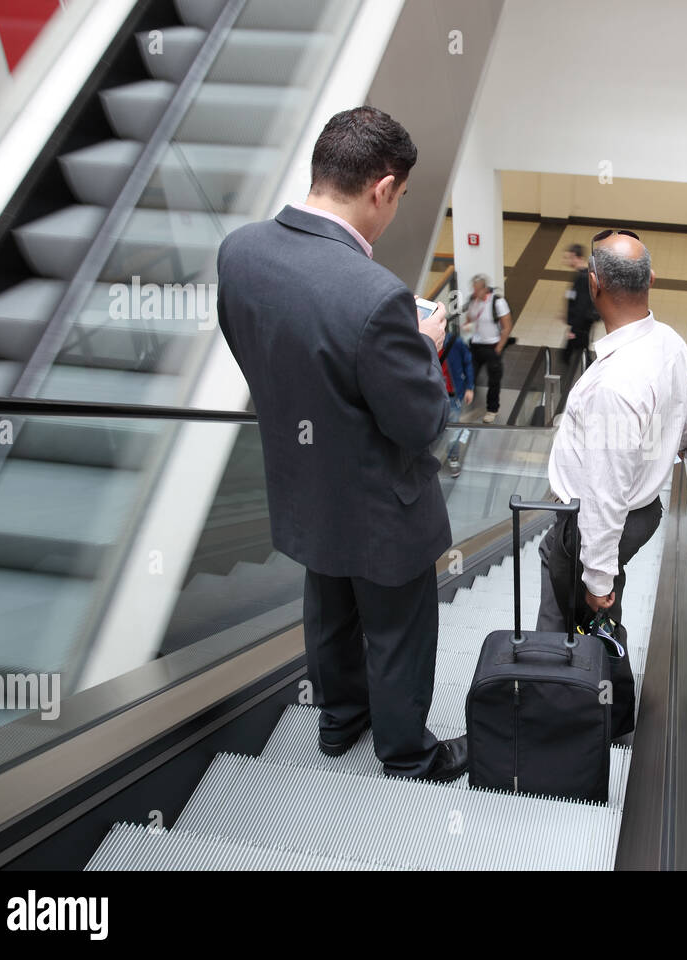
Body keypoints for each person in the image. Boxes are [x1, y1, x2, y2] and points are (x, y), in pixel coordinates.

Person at [215, 106, 467, 783]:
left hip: (301, 485)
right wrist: (421, 346)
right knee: (397, 631)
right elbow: (421, 423)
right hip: (381, 504)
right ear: (382, 188)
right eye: (400, 198)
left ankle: (338, 721)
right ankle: (408, 756)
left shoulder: (240, 252)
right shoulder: (376, 297)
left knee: (326, 607)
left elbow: (261, 356)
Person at [536, 229, 687, 728]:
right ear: (650, 280)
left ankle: (556, 720)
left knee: (569, 616)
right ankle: (616, 713)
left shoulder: (616, 384)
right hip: (642, 510)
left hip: (595, 521)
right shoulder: (670, 342)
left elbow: (605, 494)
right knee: (599, 620)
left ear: (594, 285)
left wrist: (597, 578)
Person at [462, 274, 512, 422]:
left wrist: (499, 347)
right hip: (476, 346)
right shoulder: (472, 300)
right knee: (470, 375)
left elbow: (507, 325)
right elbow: (470, 319)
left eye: (477, 289)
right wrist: (468, 328)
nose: (475, 292)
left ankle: (492, 409)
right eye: (473, 289)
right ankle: (469, 405)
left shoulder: (498, 302)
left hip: (492, 347)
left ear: (485, 289)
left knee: (494, 380)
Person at [438, 318, 474, 476]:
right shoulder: (423, 344)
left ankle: (453, 457)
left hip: (452, 395)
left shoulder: (454, 342)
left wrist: (469, 387)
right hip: (434, 396)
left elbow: (467, 362)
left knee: (452, 427)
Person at [562, 243, 598, 373]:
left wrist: (573, 328)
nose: (566, 261)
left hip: (581, 323)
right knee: (578, 347)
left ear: (577, 257)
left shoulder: (583, 277)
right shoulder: (582, 274)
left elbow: (581, 305)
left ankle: (588, 370)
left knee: (581, 348)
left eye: (569, 257)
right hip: (581, 322)